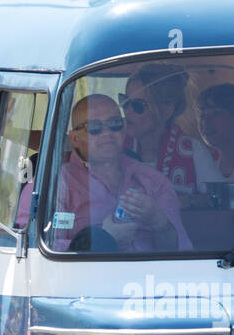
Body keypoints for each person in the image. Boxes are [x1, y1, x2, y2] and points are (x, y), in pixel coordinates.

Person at [29, 94, 190, 253]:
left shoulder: (154, 181)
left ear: (124, 129)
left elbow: (183, 253)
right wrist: (100, 240)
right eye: (94, 127)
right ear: (75, 138)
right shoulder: (54, 184)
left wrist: (160, 224)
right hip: (87, 277)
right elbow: (33, 248)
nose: (107, 133)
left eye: (114, 124)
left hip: (153, 278)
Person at [120, 64, 220, 205]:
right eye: (125, 101)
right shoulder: (113, 148)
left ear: (167, 110)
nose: (127, 111)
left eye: (138, 105)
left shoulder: (193, 151)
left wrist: (185, 201)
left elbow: (219, 199)